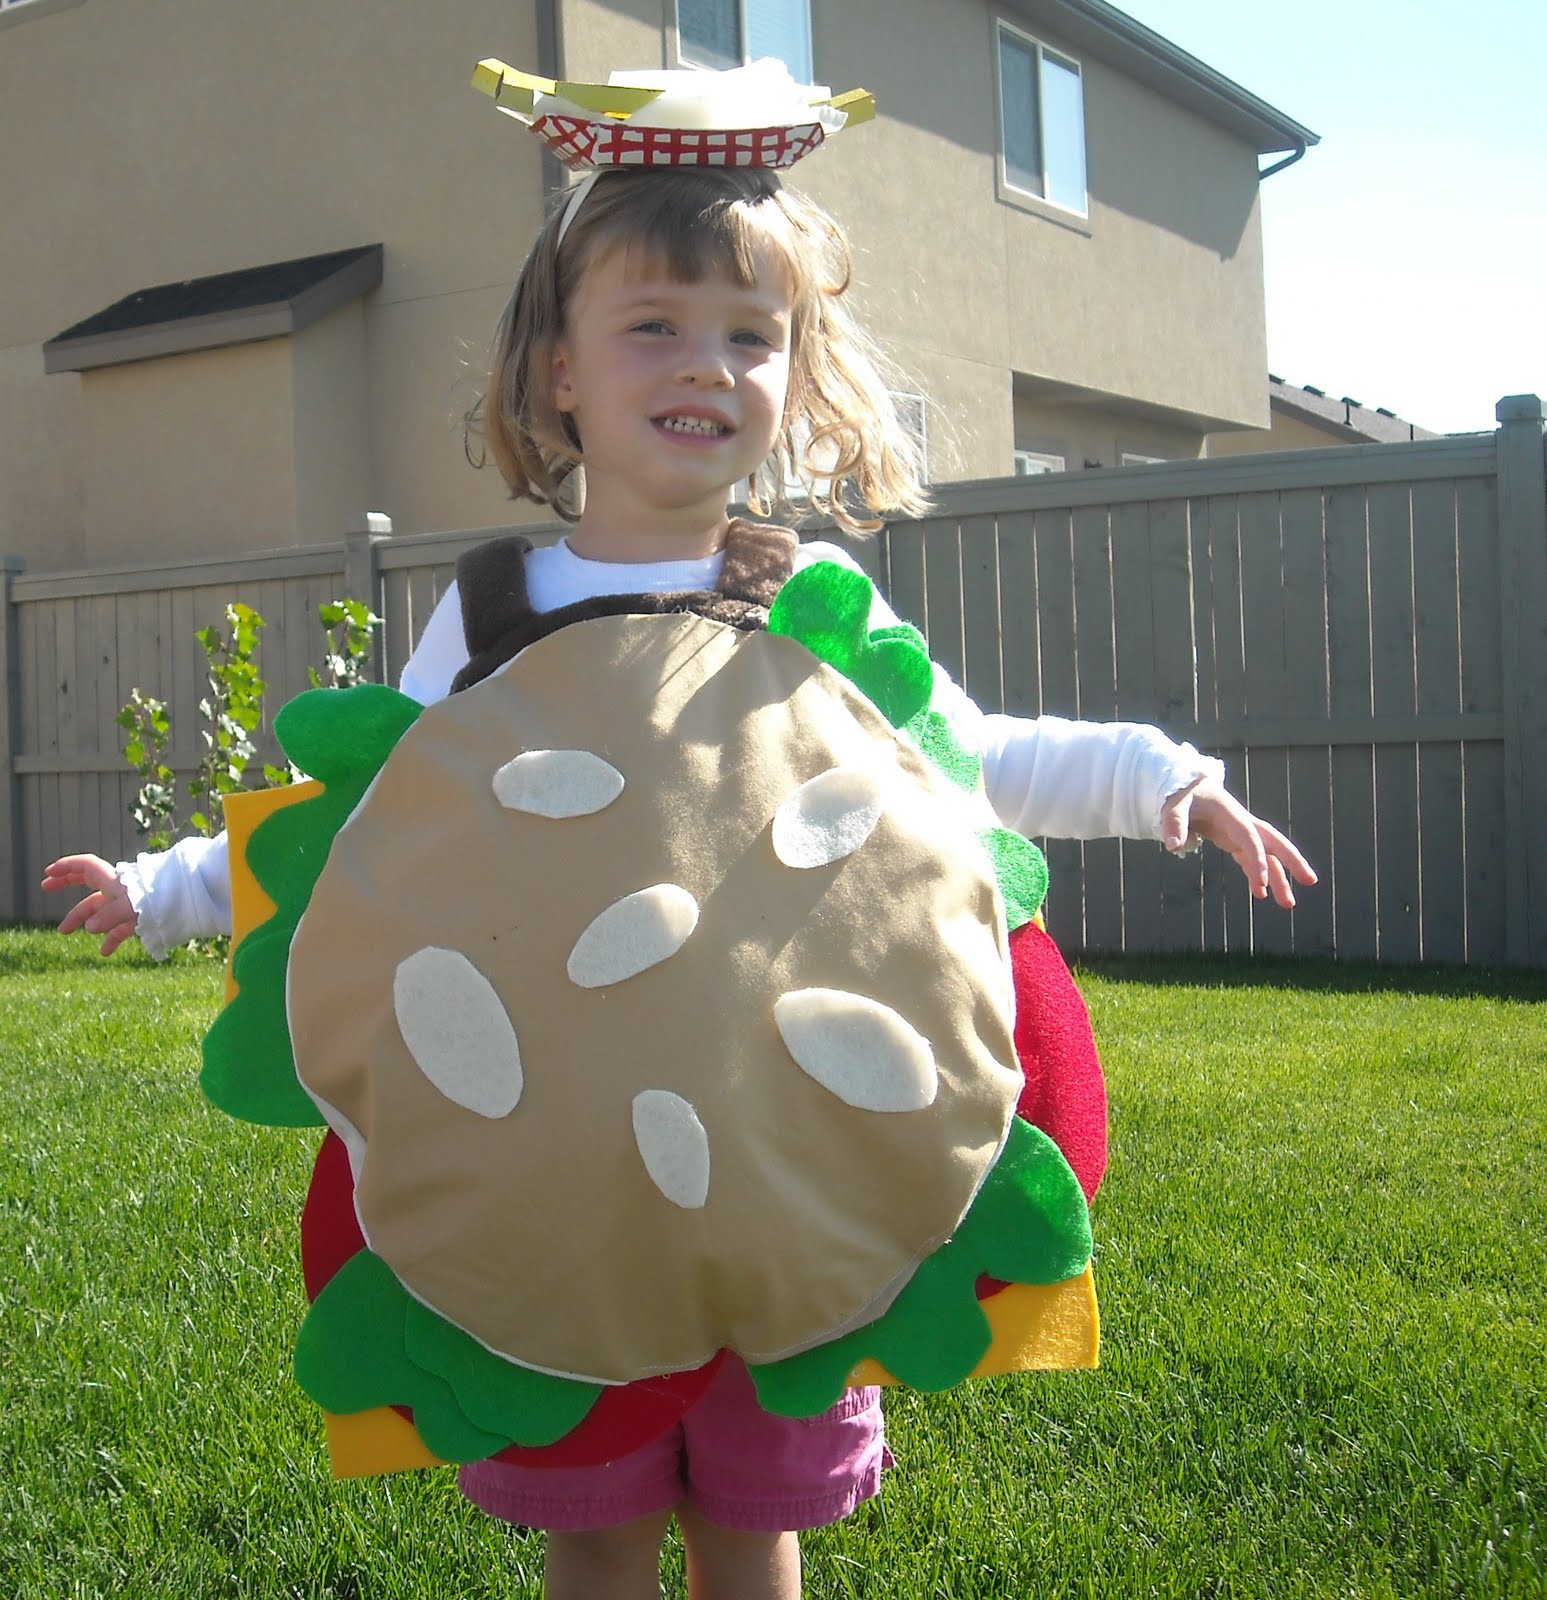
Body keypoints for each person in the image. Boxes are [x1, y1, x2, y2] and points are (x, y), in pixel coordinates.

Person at [43, 77, 1314, 1600]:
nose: (704, 364)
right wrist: (170, 886)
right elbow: (371, 829)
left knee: (752, 1507)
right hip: (557, 1172)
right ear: (558, 369)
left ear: (798, 372)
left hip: (789, 1150)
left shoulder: (816, 604)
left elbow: (966, 762)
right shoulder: (497, 608)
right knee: (591, 1516)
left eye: (749, 334)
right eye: (654, 325)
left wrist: (1161, 777)